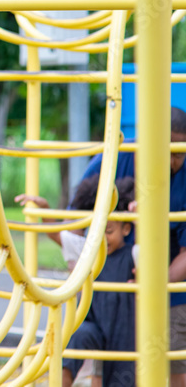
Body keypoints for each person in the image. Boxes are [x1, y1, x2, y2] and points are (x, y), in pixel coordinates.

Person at [76, 107, 186, 386]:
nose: (174, 161)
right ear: (148, 140)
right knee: (106, 354)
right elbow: (75, 219)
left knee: (173, 347)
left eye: (180, 153)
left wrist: (157, 283)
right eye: (168, 150)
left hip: (168, 286)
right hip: (114, 282)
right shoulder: (113, 161)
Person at [18, 175, 137, 387]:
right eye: (98, 231)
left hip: (123, 326)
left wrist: (138, 218)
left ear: (126, 230)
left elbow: (152, 249)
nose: (104, 238)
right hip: (93, 321)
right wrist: (44, 208)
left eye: (109, 232)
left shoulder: (133, 254)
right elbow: (56, 235)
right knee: (75, 340)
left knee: (118, 374)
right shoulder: (87, 249)